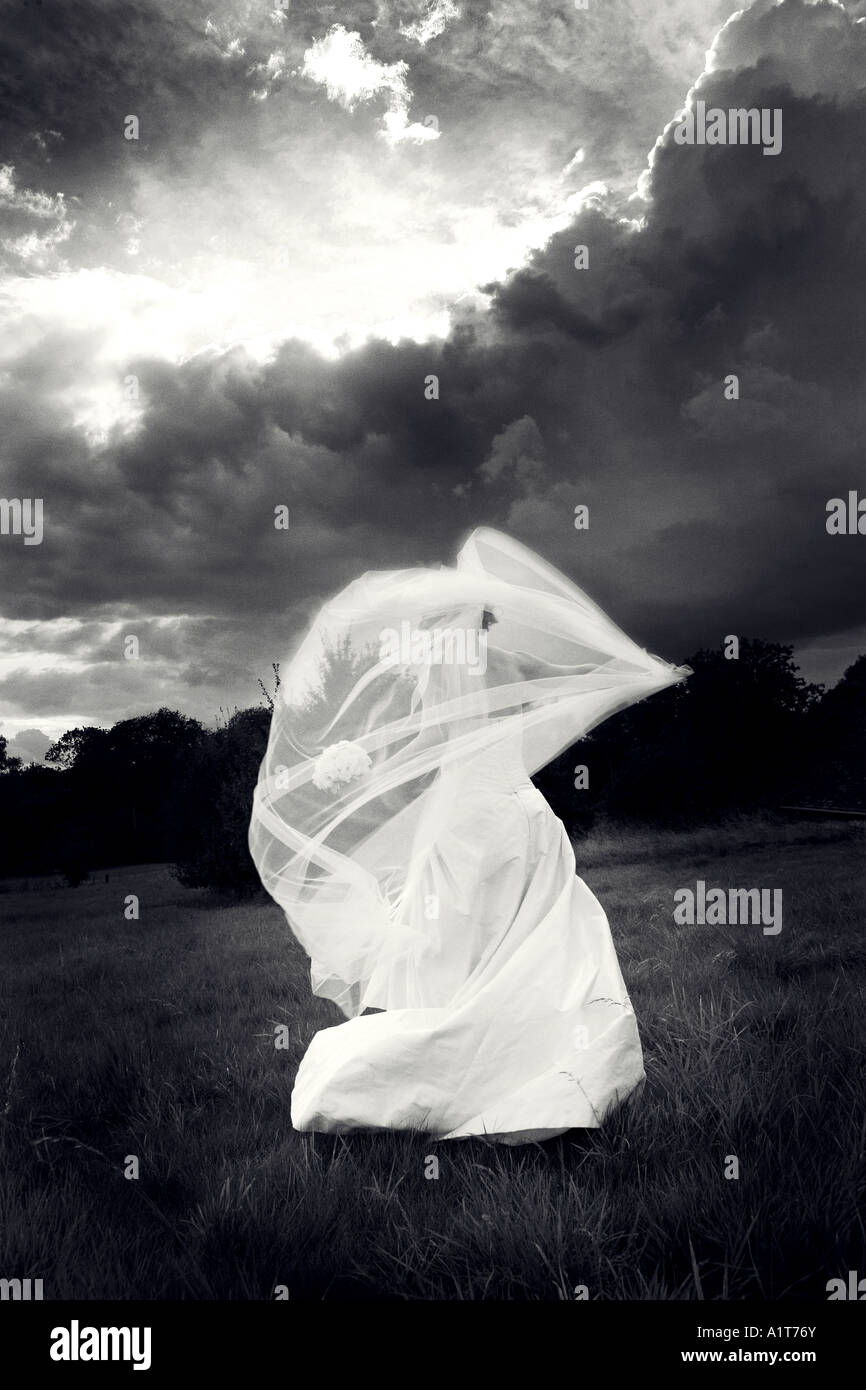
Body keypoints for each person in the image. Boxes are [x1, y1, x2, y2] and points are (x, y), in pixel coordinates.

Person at [249, 527, 689, 1143]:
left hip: (469, 814)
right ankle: (548, 1053)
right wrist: (646, 673)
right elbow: (556, 689)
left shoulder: (439, 667)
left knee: (460, 936)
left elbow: (435, 743)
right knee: (542, 931)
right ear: (487, 619)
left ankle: (455, 1057)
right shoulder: (501, 662)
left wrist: (367, 763)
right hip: (519, 811)